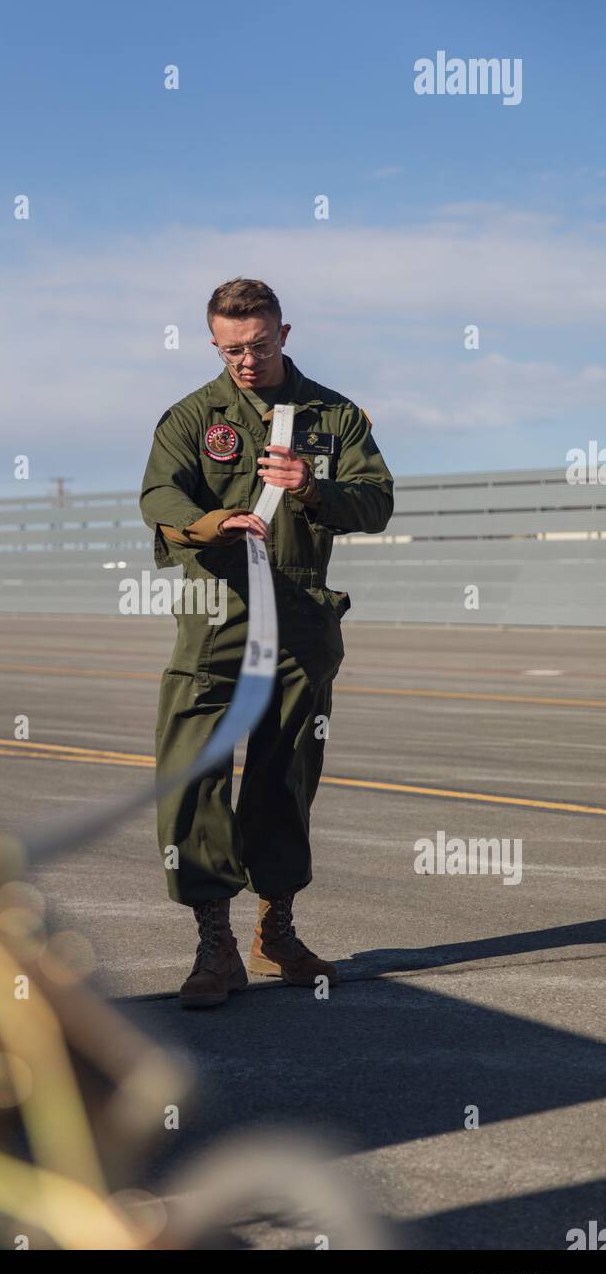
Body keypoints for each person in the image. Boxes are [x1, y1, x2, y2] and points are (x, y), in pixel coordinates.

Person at [140, 278, 394, 1008]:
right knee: (193, 777)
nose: (243, 362)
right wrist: (216, 522)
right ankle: (214, 942)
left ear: (284, 333)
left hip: (300, 626)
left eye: (255, 345)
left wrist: (314, 489)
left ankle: (274, 928)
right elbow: (159, 498)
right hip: (214, 621)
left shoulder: (334, 416)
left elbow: (376, 501)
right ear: (213, 342)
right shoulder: (194, 417)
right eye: (228, 349)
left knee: (284, 779)